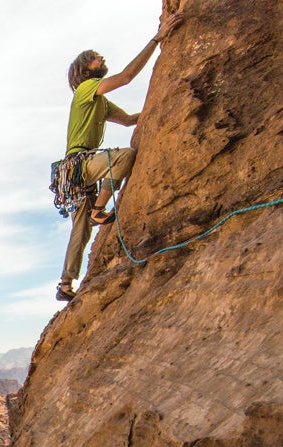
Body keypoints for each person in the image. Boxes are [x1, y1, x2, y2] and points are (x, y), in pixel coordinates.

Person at [56, 12, 185, 302]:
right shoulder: (86, 89)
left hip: (74, 172)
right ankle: (99, 210)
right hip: (81, 163)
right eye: (95, 59)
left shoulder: (98, 101)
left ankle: (65, 284)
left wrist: (164, 103)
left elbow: (128, 121)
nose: (101, 59)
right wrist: (157, 39)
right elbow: (126, 77)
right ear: (84, 70)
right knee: (123, 156)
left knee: (80, 231)